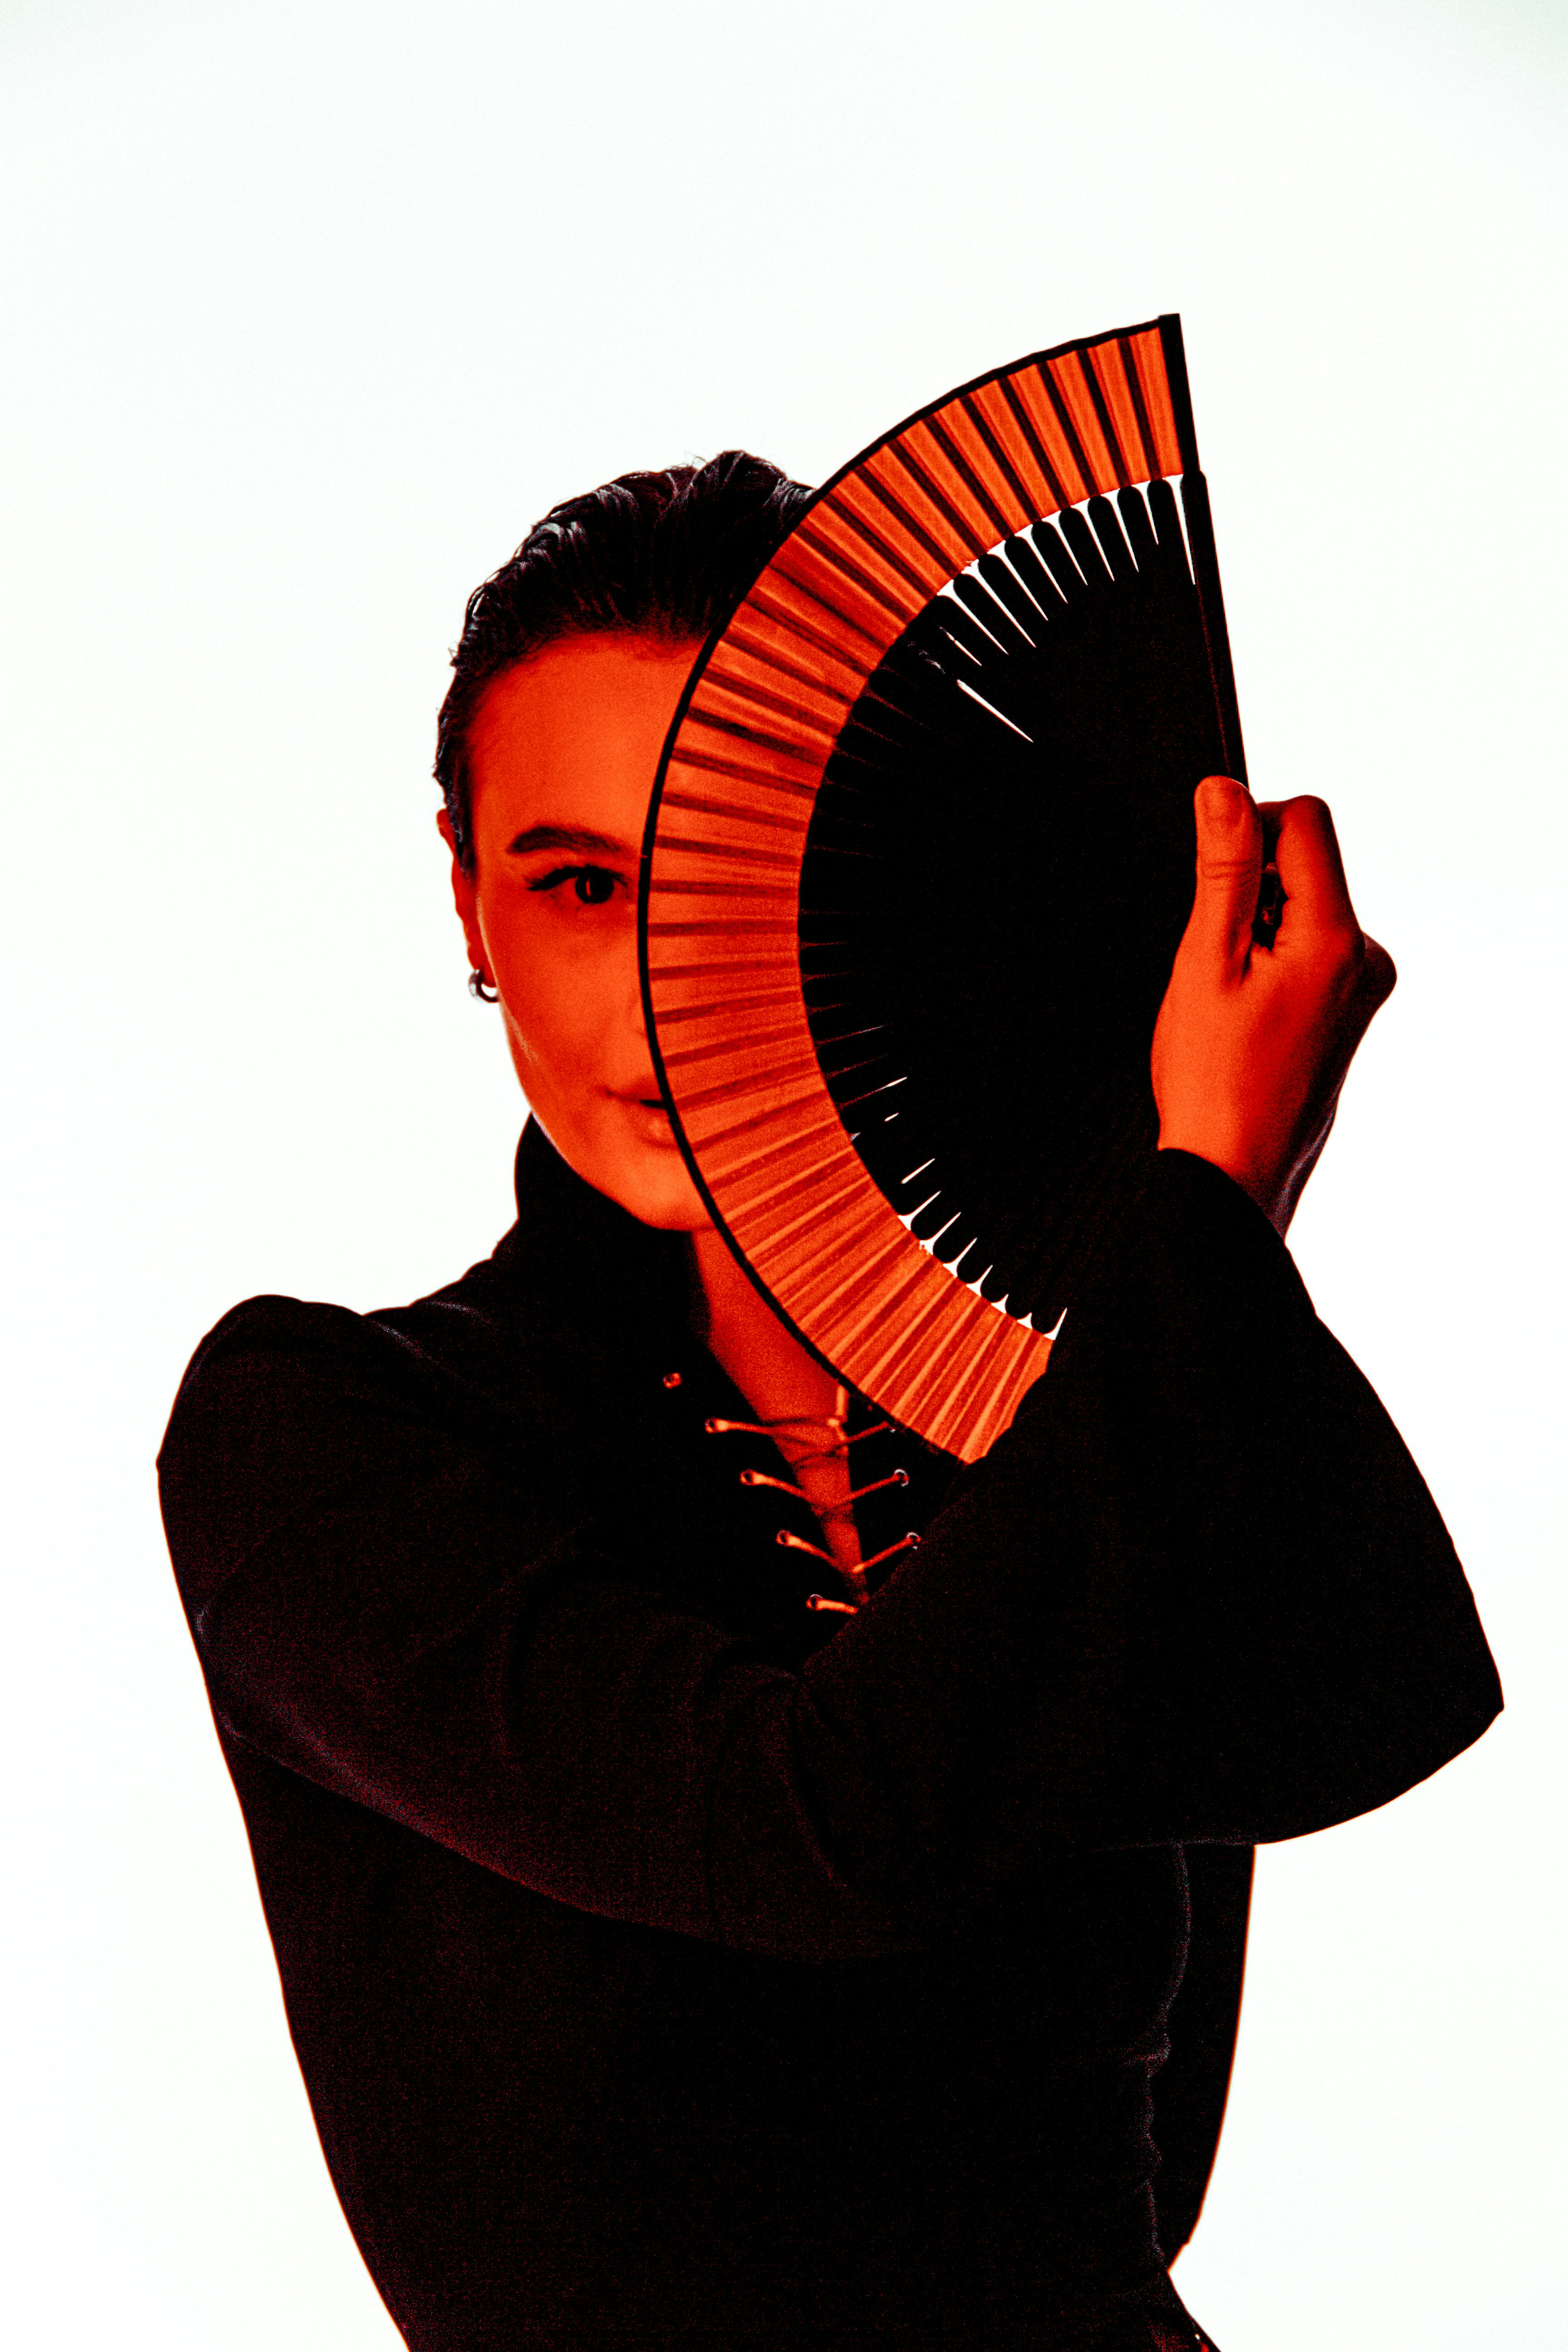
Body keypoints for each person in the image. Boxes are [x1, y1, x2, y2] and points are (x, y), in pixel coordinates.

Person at [158, 452, 1501, 2351]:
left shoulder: (1052, 1390)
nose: (660, 988)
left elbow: (1366, 1737)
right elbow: (805, 1830)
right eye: (577, 883)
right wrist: (1200, 1210)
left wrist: (1168, 1241)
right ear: (466, 900)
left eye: (736, 878)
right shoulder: (324, 1433)